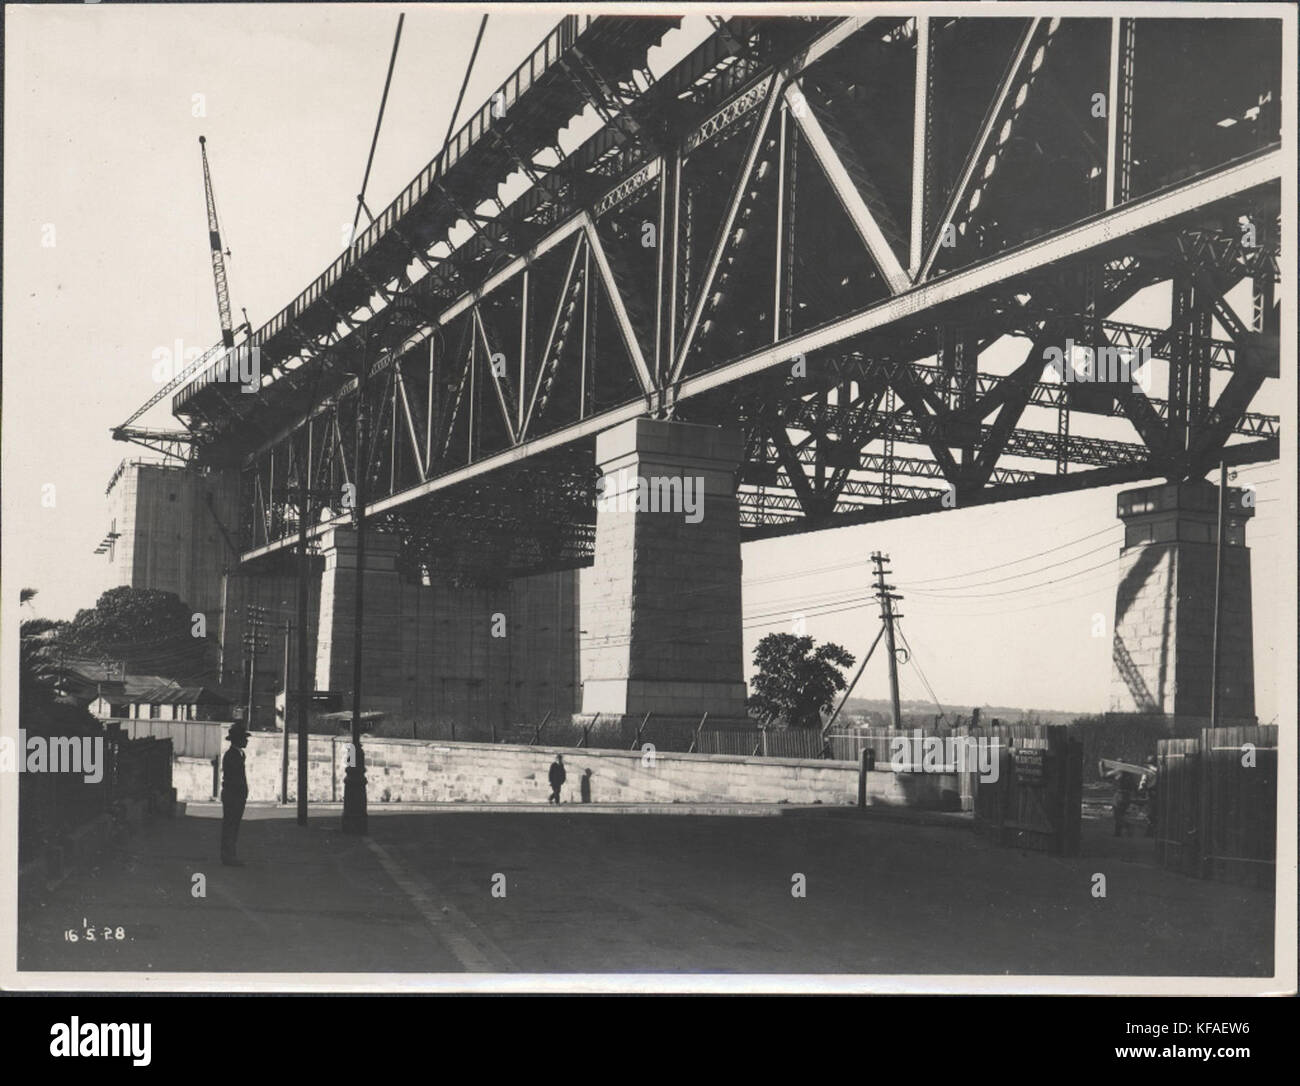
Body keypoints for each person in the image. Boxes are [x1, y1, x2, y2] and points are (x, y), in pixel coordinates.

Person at [221, 724, 249, 865]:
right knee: (231, 825)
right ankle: (228, 856)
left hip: (236, 795)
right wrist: (240, 793)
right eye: (244, 738)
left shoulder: (238, 754)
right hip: (233, 795)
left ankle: (230, 855)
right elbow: (233, 778)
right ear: (238, 740)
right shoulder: (232, 755)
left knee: (233, 825)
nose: (247, 741)